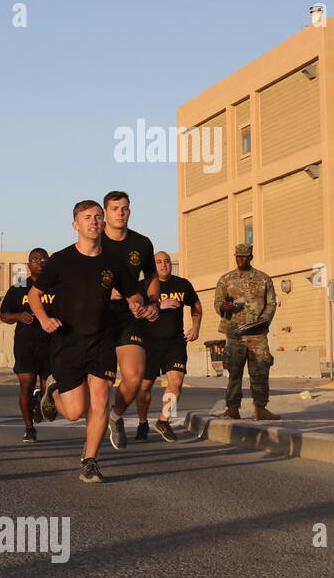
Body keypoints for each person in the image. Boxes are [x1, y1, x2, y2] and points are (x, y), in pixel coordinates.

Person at [30, 200, 145, 483]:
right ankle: (51, 393)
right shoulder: (60, 260)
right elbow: (35, 294)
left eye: (98, 217)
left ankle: (89, 460)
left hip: (101, 340)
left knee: (101, 398)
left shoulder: (112, 263)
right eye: (87, 217)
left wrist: (136, 302)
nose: (94, 222)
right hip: (67, 340)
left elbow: (134, 292)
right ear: (76, 225)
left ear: (103, 223)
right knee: (73, 412)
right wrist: (44, 319)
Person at [98, 191, 161, 450]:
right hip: (97, 315)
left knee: (134, 377)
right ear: (105, 213)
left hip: (128, 316)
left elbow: (152, 276)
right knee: (98, 385)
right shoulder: (94, 240)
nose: (120, 213)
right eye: (115, 208)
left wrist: (153, 302)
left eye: (124, 208)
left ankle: (116, 416)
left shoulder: (142, 243)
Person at [134, 251, 201, 441]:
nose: (164, 265)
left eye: (167, 261)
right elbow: (133, 312)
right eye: (159, 262)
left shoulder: (182, 284)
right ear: (153, 265)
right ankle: (142, 422)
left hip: (175, 343)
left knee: (177, 382)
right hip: (149, 343)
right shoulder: (142, 286)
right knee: (145, 386)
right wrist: (158, 305)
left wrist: (195, 326)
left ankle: (163, 420)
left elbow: (196, 305)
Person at [213, 243, 278, 420]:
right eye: (238, 257)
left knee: (260, 371)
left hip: (257, 334)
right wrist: (223, 306)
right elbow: (217, 303)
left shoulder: (263, 279)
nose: (241, 260)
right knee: (234, 372)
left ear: (251, 257)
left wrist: (264, 320)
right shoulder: (225, 279)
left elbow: (271, 303)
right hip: (235, 333)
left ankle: (260, 408)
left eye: (244, 257)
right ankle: (232, 408)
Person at [0, 247, 54, 442]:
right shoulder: (18, 288)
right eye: (35, 259)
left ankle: (41, 400)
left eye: (44, 259)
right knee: (26, 385)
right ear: (29, 264)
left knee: (51, 389)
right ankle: (29, 427)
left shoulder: (57, 287)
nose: (40, 262)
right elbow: (3, 315)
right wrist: (18, 316)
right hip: (25, 345)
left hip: (51, 345)